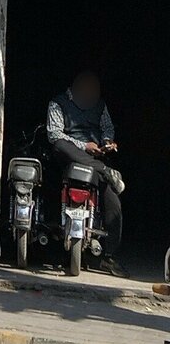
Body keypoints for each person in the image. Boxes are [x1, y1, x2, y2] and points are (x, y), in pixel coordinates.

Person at [47, 72, 126, 276]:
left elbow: (107, 127)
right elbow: (54, 133)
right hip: (70, 155)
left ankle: (109, 257)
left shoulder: (99, 105)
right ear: (75, 87)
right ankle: (104, 171)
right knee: (59, 144)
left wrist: (107, 142)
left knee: (113, 201)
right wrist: (84, 146)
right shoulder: (58, 103)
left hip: (95, 156)